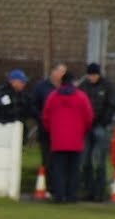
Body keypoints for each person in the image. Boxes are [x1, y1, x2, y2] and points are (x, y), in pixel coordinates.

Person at [39, 66, 93, 204]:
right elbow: (89, 117)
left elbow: (46, 117)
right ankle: (72, 195)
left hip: (58, 139)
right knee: (74, 169)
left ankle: (59, 195)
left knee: (58, 168)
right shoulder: (81, 97)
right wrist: (82, 131)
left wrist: (52, 130)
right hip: (76, 139)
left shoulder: (53, 96)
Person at [77, 63, 115, 201]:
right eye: (90, 75)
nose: (92, 78)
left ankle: (99, 192)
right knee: (85, 160)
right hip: (86, 127)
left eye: (94, 75)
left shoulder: (108, 86)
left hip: (101, 127)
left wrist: (103, 122)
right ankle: (88, 190)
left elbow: (112, 106)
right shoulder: (83, 86)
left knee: (99, 160)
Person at [29, 63, 67, 171]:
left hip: (63, 128)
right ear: (53, 71)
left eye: (64, 72)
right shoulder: (41, 87)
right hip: (46, 128)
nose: (62, 74)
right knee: (47, 156)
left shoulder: (67, 88)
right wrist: (41, 118)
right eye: (61, 71)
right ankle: (47, 177)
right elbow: (33, 105)